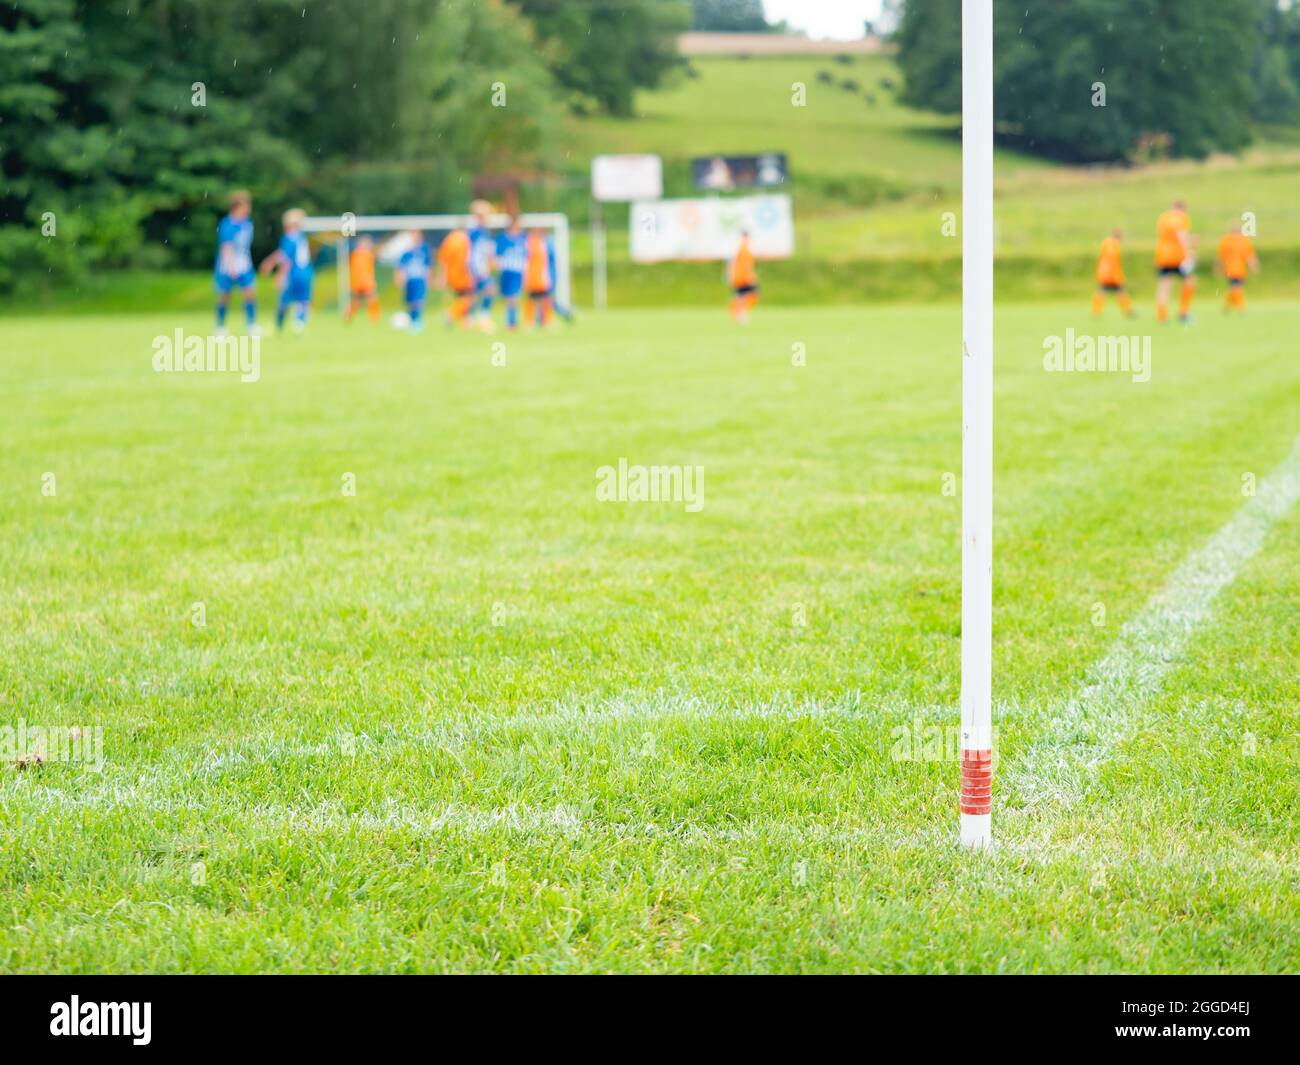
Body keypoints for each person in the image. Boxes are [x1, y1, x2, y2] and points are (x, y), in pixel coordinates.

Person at [259, 208, 313, 333]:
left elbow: (285, 258)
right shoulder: (302, 237)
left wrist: (280, 275)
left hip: (294, 273)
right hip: (306, 272)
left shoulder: (289, 237)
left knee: (285, 300)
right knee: (303, 299)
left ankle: (279, 325)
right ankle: (300, 323)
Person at [214, 190, 259, 337]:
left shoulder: (247, 224)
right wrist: (231, 266)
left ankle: (251, 325)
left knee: (249, 293)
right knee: (224, 295)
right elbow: (226, 247)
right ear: (237, 206)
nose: (249, 208)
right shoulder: (227, 224)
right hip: (228, 266)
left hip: (244, 264)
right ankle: (220, 327)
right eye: (246, 205)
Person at [1155, 199, 1195, 324]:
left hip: (1162, 255)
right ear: (1183, 209)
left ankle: (1162, 315)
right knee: (1190, 282)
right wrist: (1188, 253)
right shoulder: (1181, 218)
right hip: (1177, 257)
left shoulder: (1163, 218)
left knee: (1164, 286)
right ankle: (1183, 312)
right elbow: (1180, 236)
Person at [1216, 223, 1260, 314]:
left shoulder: (1238, 241)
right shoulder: (1229, 241)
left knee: (1234, 288)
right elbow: (1222, 256)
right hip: (1232, 269)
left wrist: (1253, 264)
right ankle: (1240, 306)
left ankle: (1228, 305)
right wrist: (1254, 265)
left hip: (1237, 269)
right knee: (1237, 287)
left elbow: (1249, 255)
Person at [1091, 228, 1135, 318]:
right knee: (1119, 292)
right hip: (1110, 275)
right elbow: (1111, 259)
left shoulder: (1107, 243)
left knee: (1103, 292)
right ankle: (1127, 311)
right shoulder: (1112, 244)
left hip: (1105, 273)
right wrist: (1113, 275)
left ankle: (1096, 311)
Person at [495, 215, 528, 331]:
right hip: (506, 271)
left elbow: (527, 255)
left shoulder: (523, 238)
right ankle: (510, 322)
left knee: (513, 298)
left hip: (517, 272)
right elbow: (497, 255)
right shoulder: (503, 239)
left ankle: (511, 323)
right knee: (508, 298)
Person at [468, 199, 497, 332]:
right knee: (489, 289)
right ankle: (482, 317)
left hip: (481, 266)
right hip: (476, 267)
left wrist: (491, 260)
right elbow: (470, 250)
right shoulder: (474, 231)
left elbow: (487, 249)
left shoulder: (484, 231)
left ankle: (467, 318)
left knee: (477, 293)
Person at [437, 225, 474, 328]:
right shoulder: (464, 239)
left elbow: (443, 259)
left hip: (451, 274)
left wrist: (443, 276)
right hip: (462, 273)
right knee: (468, 297)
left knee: (462, 296)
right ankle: (450, 314)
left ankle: (465, 322)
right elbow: (467, 259)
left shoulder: (448, 239)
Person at [395, 230, 431, 334]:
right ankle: (411, 320)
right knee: (410, 302)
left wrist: (429, 277)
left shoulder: (424, 250)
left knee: (419, 301)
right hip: (409, 279)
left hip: (420, 278)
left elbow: (428, 266)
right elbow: (401, 266)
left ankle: (417, 321)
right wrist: (399, 277)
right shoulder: (407, 251)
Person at [345, 236, 381, 323]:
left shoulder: (359, 254)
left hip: (360, 281)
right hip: (364, 282)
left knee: (357, 300)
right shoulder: (361, 255)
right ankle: (375, 318)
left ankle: (348, 316)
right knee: (370, 298)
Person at [524, 226, 554, 327]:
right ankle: (530, 321)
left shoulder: (544, 244)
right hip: (533, 277)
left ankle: (544, 321)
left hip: (541, 277)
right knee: (534, 299)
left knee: (544, 299)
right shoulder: (529, 243)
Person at [728, 230, 759, 323]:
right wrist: (750, 276)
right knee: (751, 294)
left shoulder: (742, 248)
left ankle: (739, 312)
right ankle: (739, 312)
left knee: (742, 296)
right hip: (742, 277)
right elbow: (745, 265)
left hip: (740, 276)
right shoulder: (743, 249)